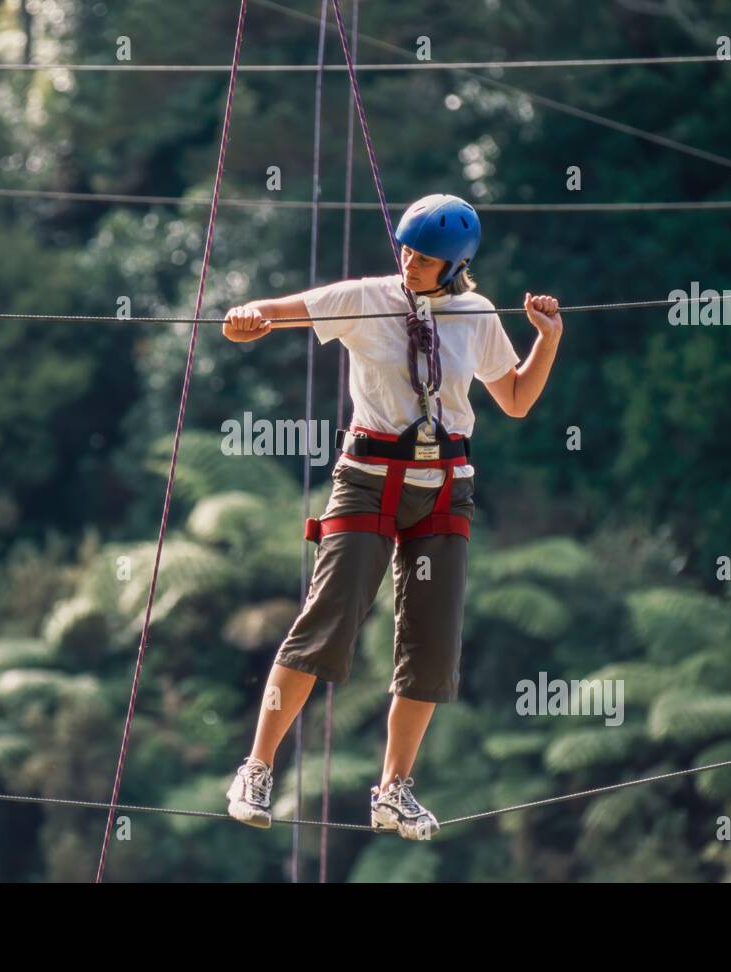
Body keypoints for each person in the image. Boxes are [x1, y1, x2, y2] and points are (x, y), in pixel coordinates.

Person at [220, 193, 563, 838]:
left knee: (432, 644)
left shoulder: (475, 314)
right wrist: (247, 318)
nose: (410, 262)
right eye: (405, 247)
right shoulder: (364, 296)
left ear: (456, 266)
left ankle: (393, 789)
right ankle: (257, 768)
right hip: (368, 479)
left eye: (427, 258)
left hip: (444, 486)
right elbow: (279, 311)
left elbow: (515, 398)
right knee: (329, 617)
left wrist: (547, 339)